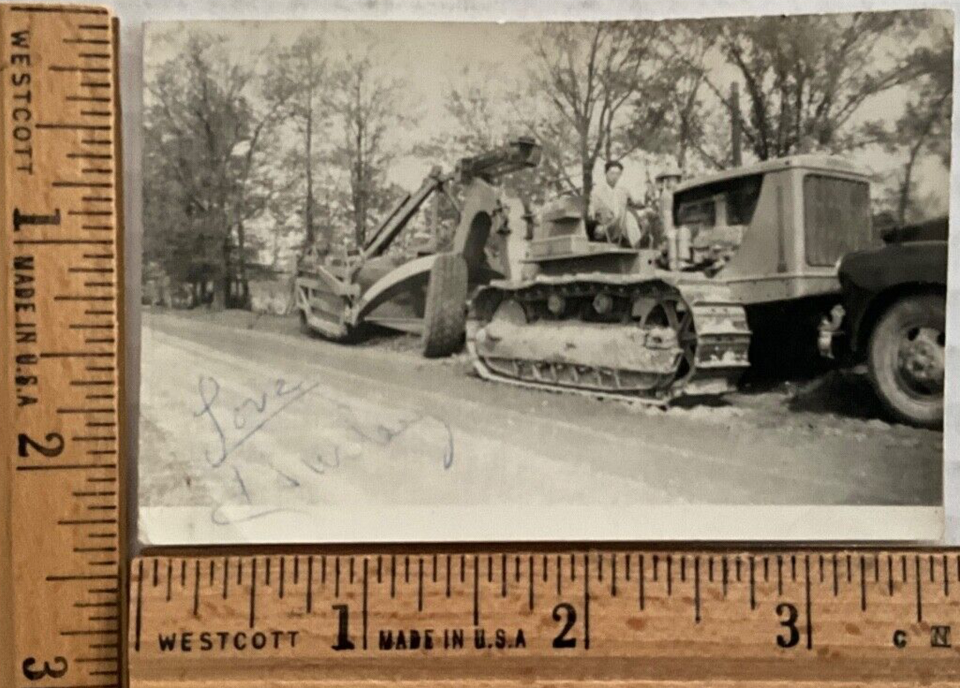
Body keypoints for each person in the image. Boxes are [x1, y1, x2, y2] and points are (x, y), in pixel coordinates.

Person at [590, 160, 644, 247]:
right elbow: (592, 215)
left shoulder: (624, 191)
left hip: (622, 225)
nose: (615, 177)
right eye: (612, 173)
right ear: (606, 173)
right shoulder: (597, 192)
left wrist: (641, 204)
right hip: (606, 227)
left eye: (618, 174)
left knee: (631, 216)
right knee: (626, 216)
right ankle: (635, 245)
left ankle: (634, 244)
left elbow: (635, 204)